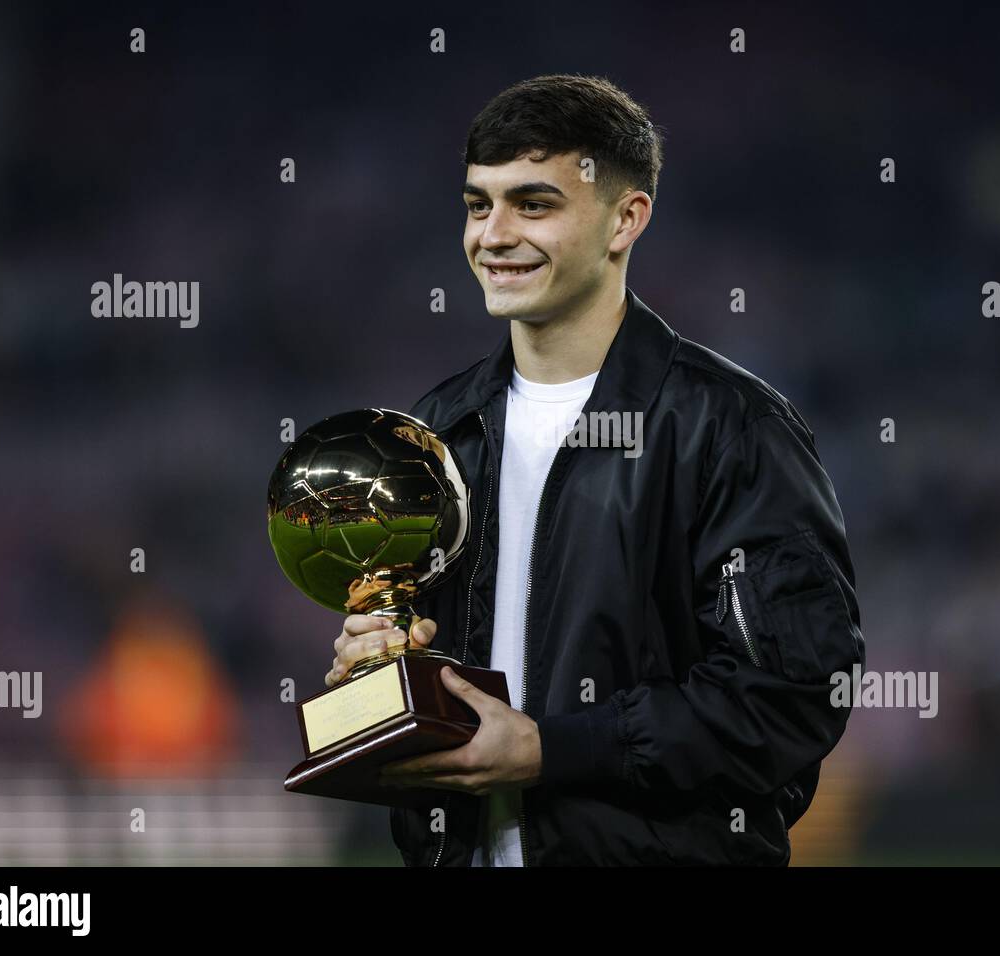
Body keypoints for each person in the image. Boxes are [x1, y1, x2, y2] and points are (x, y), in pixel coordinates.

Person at [324, 73, 864, 866]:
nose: (494, 236)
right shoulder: (438, 431)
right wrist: (374, 676)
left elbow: (794, 696)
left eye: (533, 205)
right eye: (480, 205)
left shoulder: (726, 427)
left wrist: (553, 749)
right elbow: (434, 685)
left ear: (625, 219)